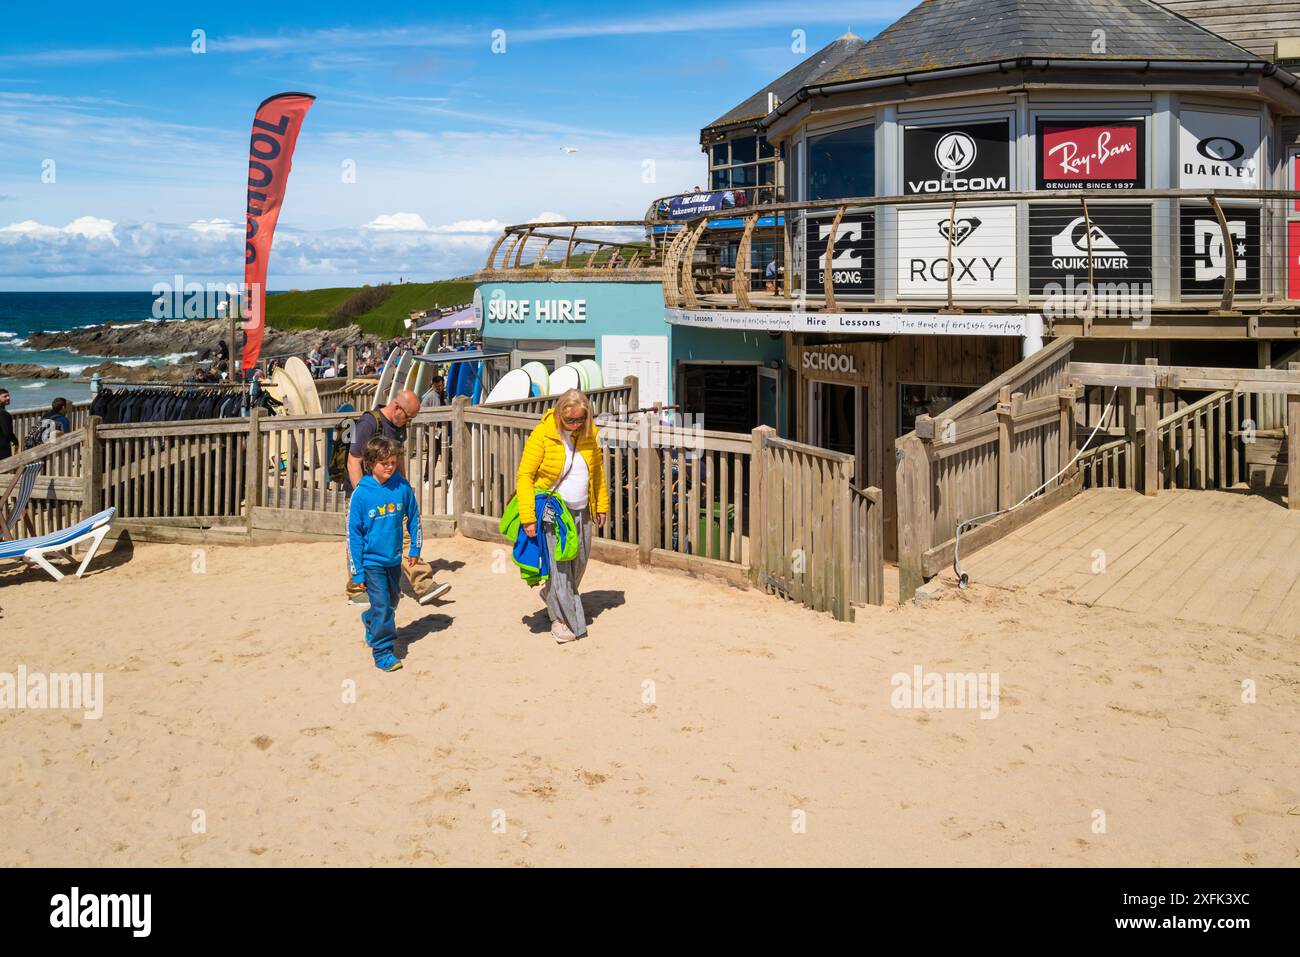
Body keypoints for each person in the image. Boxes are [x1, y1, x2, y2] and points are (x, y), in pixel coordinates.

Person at [515, 389, 609, 643]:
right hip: (554, 512)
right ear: (559, 414)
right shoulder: (542, 435)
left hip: (582, 511)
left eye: (580, 420)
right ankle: (562, 620)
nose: (576, 425)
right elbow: (525, 476)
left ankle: (553, 597)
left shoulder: (589, 434)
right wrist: (528, 517)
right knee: (561, 571)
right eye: (571, 420)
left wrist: (601, 505)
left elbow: (597, 471)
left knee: (578, 562)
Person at [343, 389, 450, 606]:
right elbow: (353, 461)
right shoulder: (368, 423)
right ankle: (356, 590)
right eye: (408, 417)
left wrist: (404, 487)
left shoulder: (399, 427)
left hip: (392, 492)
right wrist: (363, 495)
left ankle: (424, 584)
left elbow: (398, 459)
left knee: (404, 533)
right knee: (362, 540)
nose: (409, 422)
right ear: (397, 407)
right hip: (365, 496)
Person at [347, 436, 423, 673]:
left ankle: (370, 619)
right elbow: (354, 535)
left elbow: (414, 518)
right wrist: (357, 572)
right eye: (384, 463)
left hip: (394, 559)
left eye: (392, 461)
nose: (390, 466)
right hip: (371, 563)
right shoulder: (361, 494)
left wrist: (415, 548)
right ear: (371, 464)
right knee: (382, 605)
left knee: (391, 602)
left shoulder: (402, 488)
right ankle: (382, 651)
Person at [0, 388, 15, 461]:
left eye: (8, 396)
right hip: (2, 449)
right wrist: (15, 441)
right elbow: (7, 432)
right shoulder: (3, 414)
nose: (8, 398)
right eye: (5, 396)